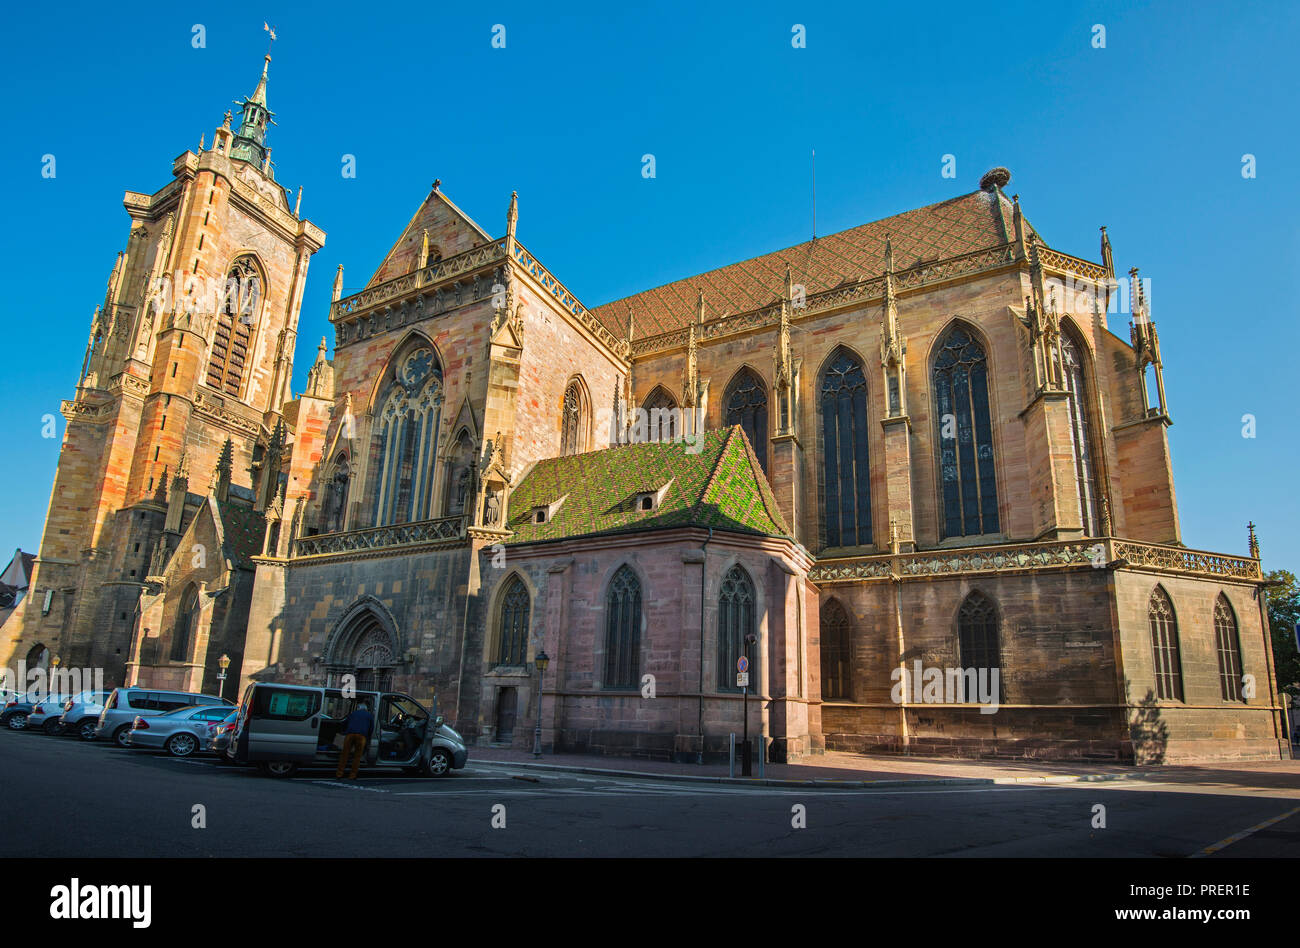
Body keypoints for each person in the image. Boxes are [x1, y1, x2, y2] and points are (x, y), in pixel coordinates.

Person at [335, 700, 374, 780]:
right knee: (357, 756)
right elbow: (371, 728)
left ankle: (339, 774)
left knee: (345, 754)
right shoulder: (369, 715)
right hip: (361, 736)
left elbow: (344, 723)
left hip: (350, 734)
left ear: (358, 708)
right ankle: (352, 775)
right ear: (366, 708)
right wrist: (368, 738)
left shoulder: (353, 713)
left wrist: (344, 732)